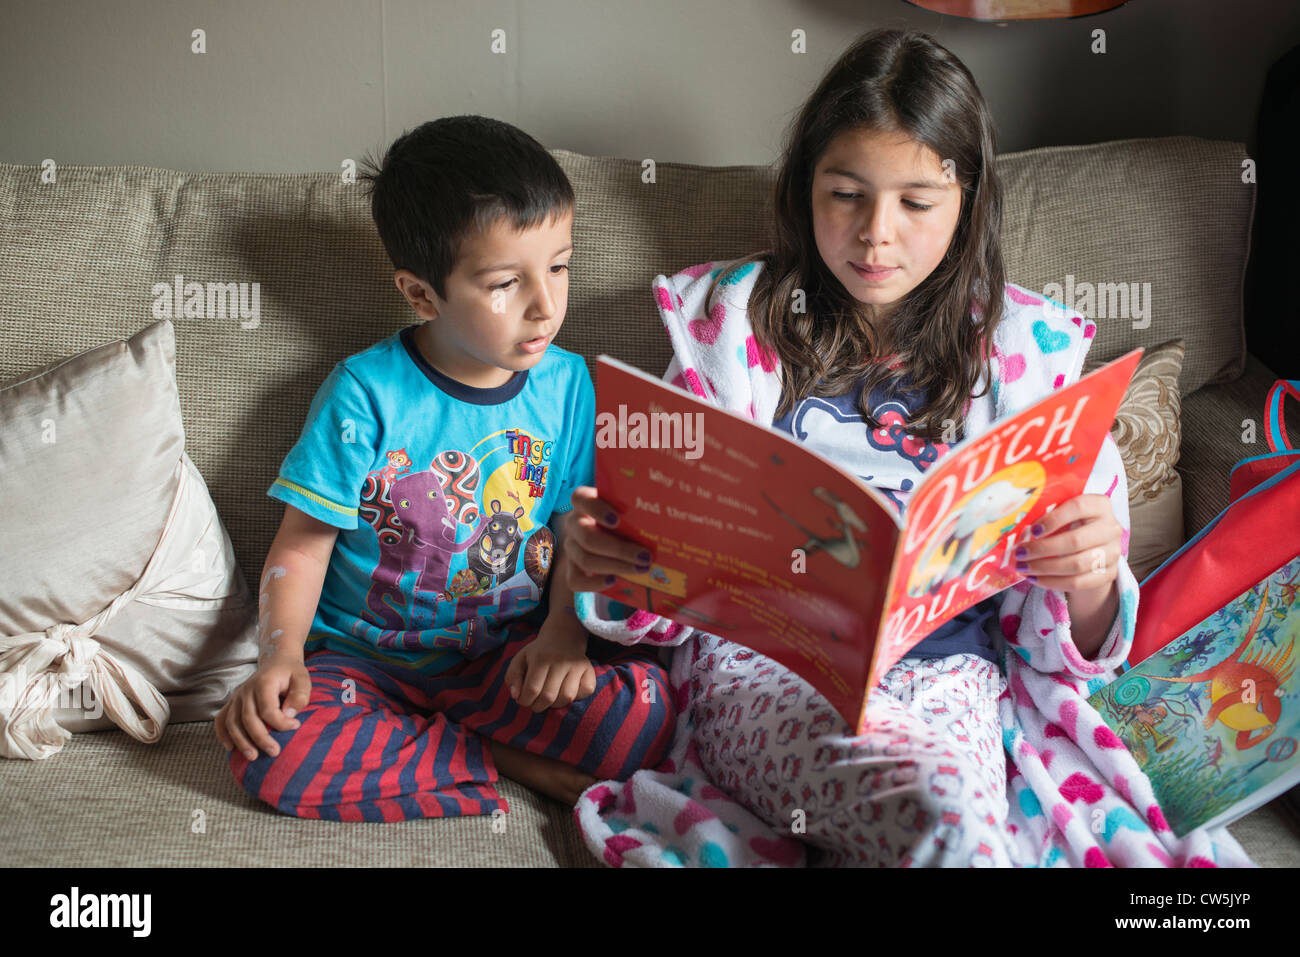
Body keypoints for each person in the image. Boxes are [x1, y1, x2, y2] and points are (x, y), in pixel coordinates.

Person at [560, 29, 1253, 867]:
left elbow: (1079, 635)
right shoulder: (730, 336)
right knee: (944, 825)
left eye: (916, 203)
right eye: (844, 194)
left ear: (966, 203)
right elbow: (657, 580)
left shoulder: (1028, 361)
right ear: (803, 189)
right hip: (765, 673)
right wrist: (622, 560)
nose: (874, 235)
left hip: (954, 675)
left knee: (952, 822)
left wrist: (1095, 576)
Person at [214, 116, 674, 820]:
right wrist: (280, 658)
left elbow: (579, 528)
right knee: (270, 755)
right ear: (423, 294)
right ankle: (503, 762)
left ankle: (440, 751)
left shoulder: (571, 387)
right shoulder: (364, 393)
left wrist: (562, 636)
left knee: (646, 718)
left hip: (503, 662)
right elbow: (303, 545)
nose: (545, 304)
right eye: (504, 283)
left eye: (558, 265)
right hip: (364, 664)